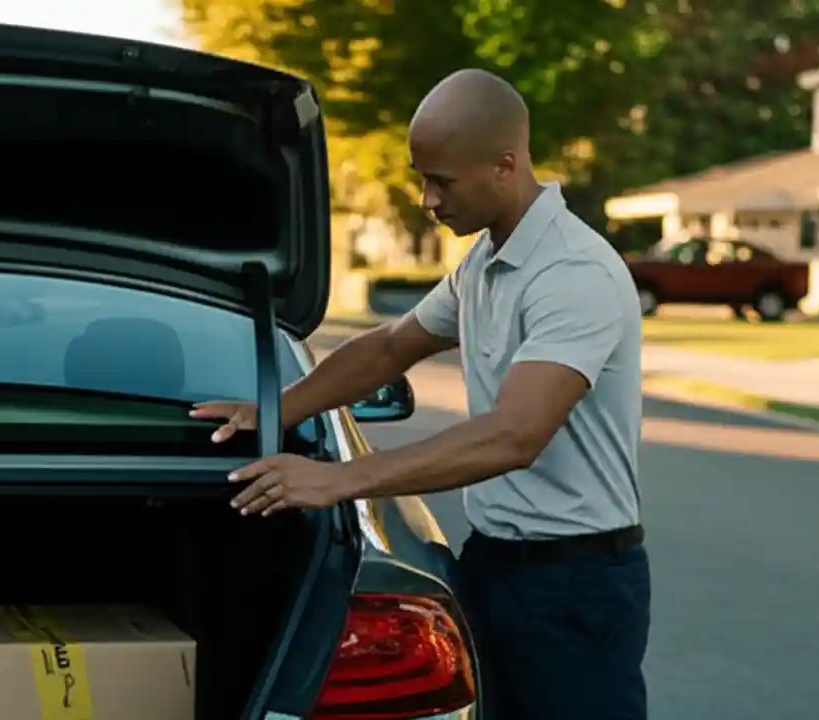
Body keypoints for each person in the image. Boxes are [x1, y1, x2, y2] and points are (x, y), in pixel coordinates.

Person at [190, 68, 649, 720]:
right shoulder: (486, 261)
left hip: (574, 585)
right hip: (494, 563)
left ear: (505, 165)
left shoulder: (573, 273)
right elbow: (388, 347)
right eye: (421, 177)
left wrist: (340, 480)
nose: (428, 200)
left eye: (442, 181)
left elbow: (515, 434)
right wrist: (275, 410)